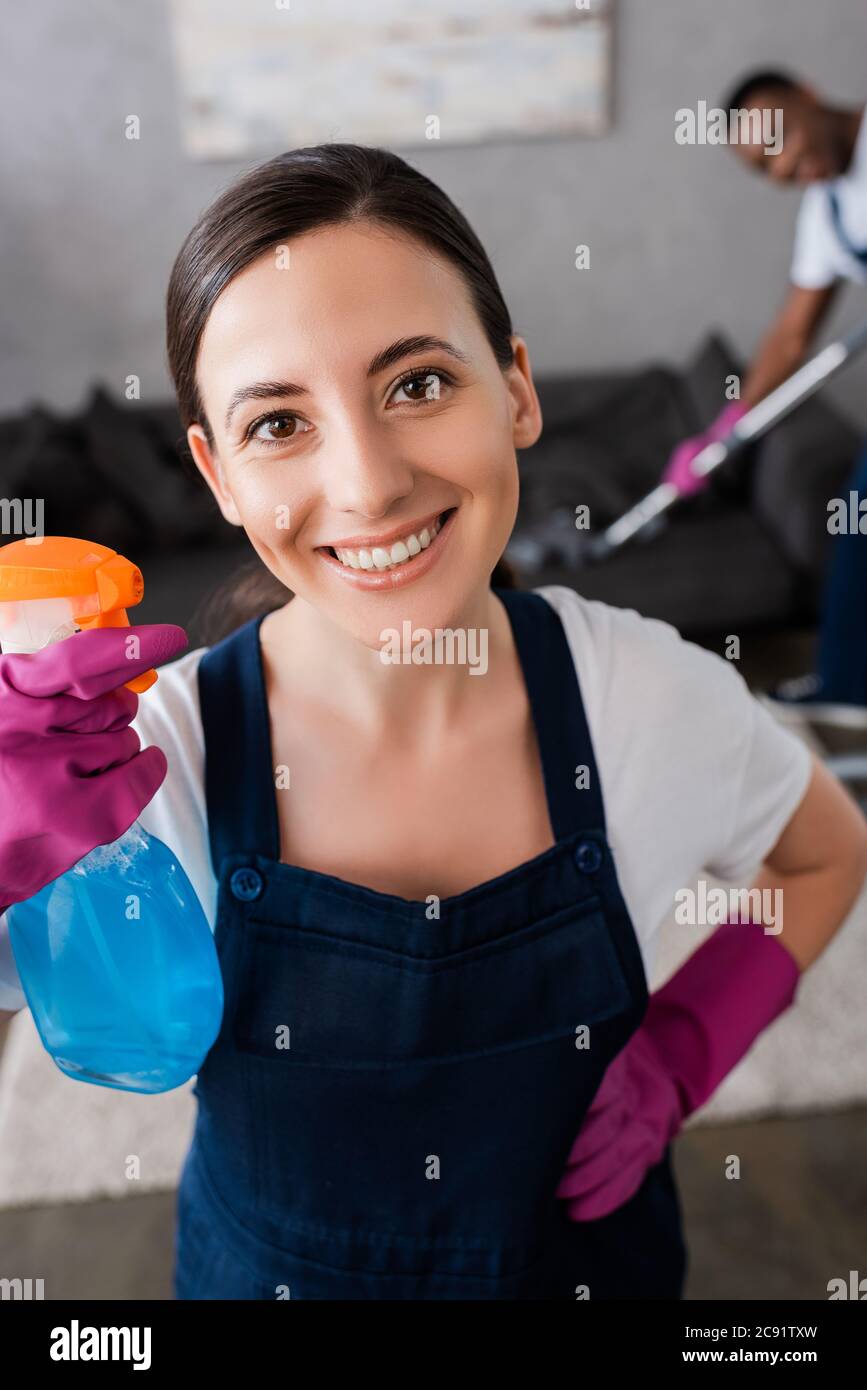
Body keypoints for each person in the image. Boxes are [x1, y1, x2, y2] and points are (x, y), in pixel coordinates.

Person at [1, 145, 866, 1301]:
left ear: (513, 386)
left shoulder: (645, 698)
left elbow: (827, 850)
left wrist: (683, 1050)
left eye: (416, 383)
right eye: (277, 423)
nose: (366, 487)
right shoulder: (150, 758)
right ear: (216, 475)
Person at [663, 71, 867, 708]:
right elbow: (789, 336)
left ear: (806, 92)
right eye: (761, 168)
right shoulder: (829, 210)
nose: (777, 170)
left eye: (774, 143)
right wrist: (729, 431)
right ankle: (844, 696)